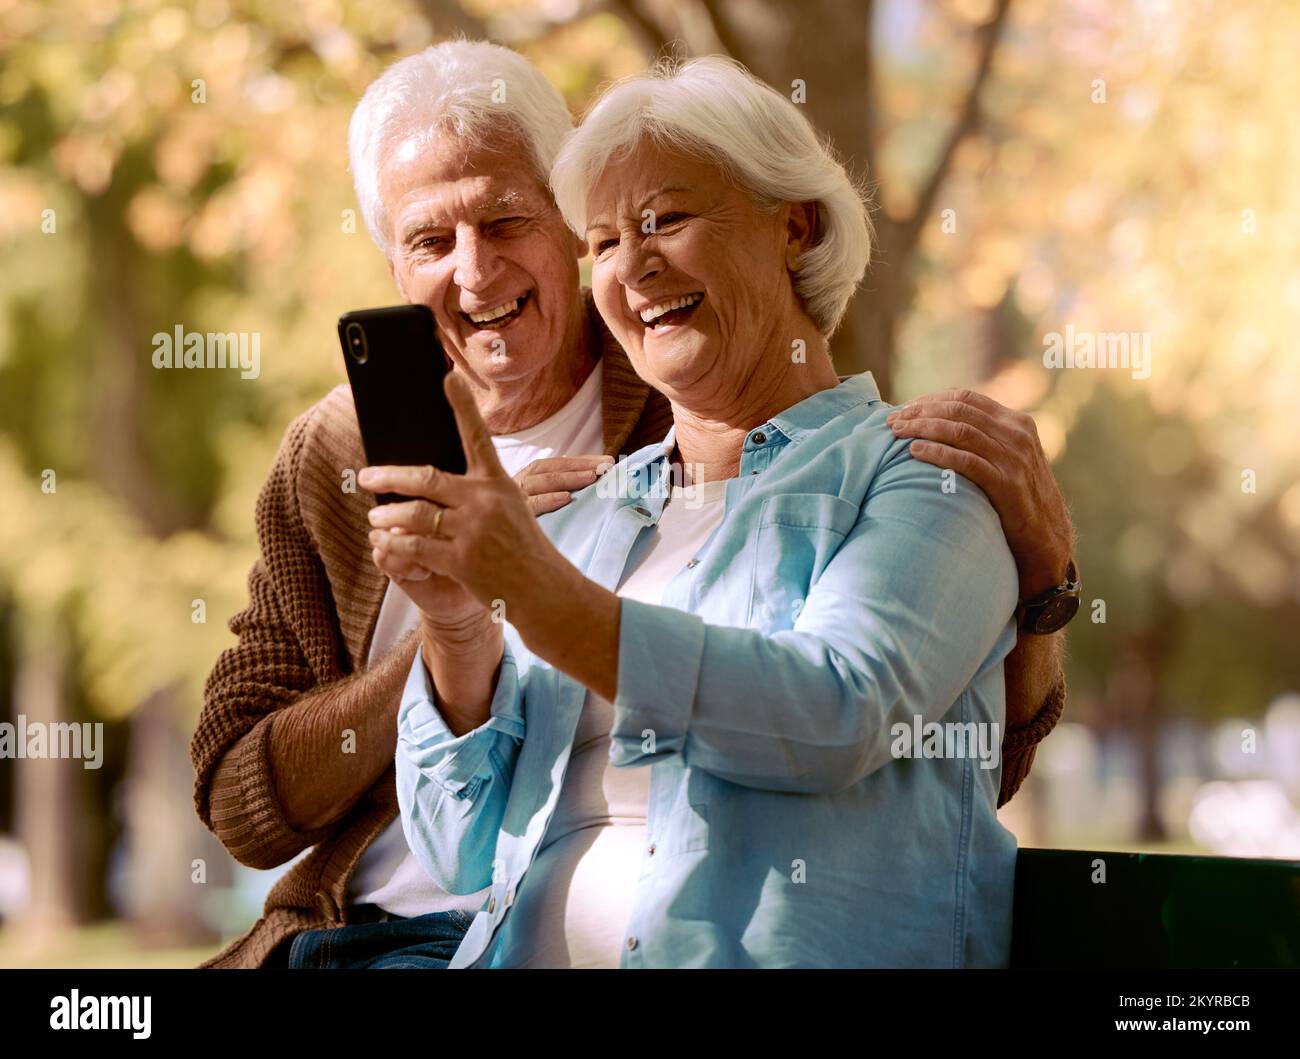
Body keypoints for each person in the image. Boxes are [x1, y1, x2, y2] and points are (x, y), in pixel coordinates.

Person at [191, 42, 1073, 969]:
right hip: (394, 939)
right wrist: (453, 627)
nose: (476, 271)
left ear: (794, 227)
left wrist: (1043, 592)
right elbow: (440, 836)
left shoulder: (880, 460)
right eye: (607, 239)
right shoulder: (590, 498)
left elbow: (873, 726)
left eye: (666, 219)